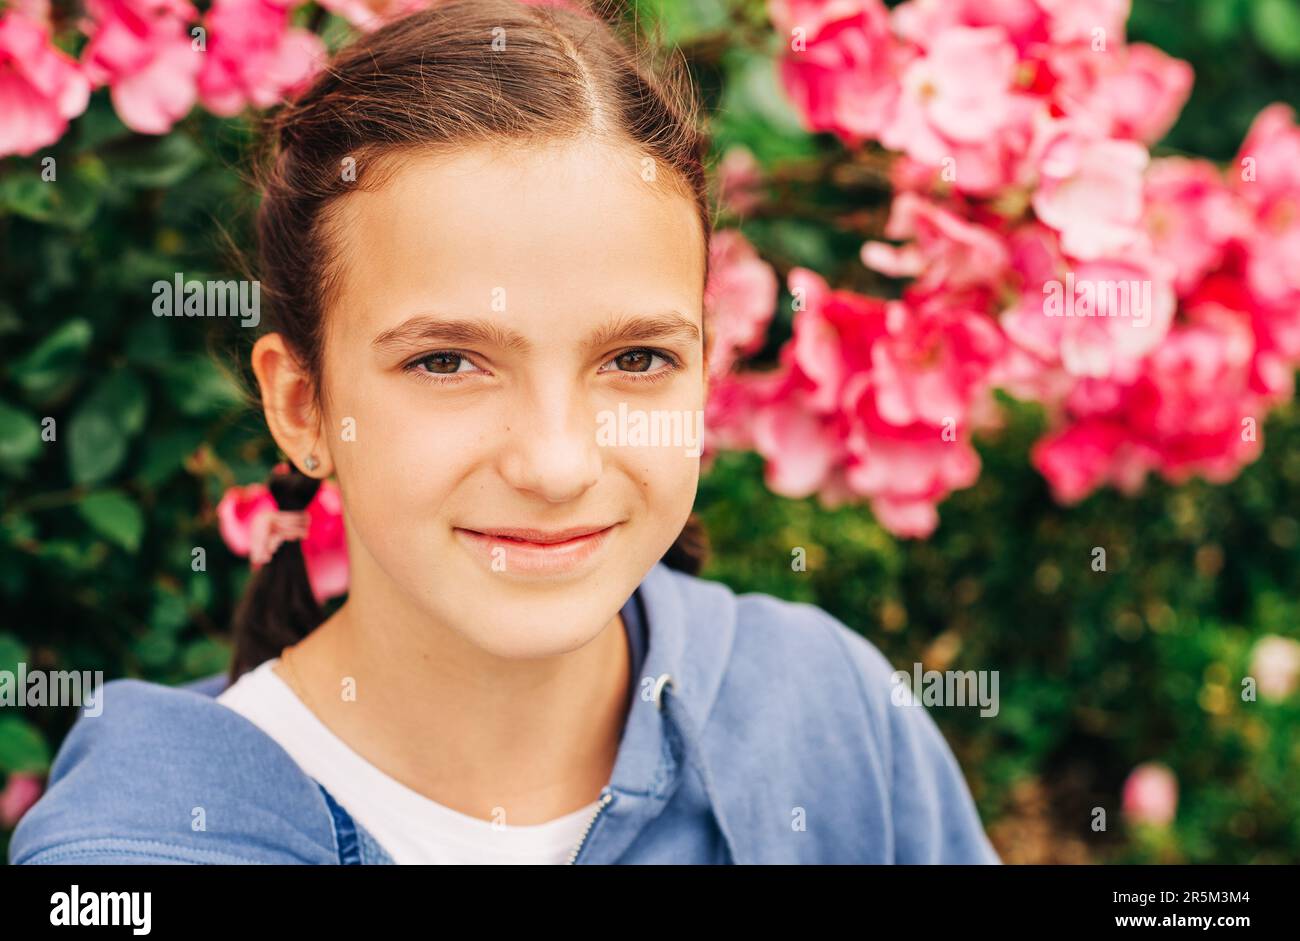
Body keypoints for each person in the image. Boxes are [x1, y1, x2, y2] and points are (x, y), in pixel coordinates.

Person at [9, 0, 999, 865]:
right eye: (446, 362)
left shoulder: (828, 718)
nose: (556, 462)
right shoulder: (140, 845)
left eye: (636, 359)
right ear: (302, 407)